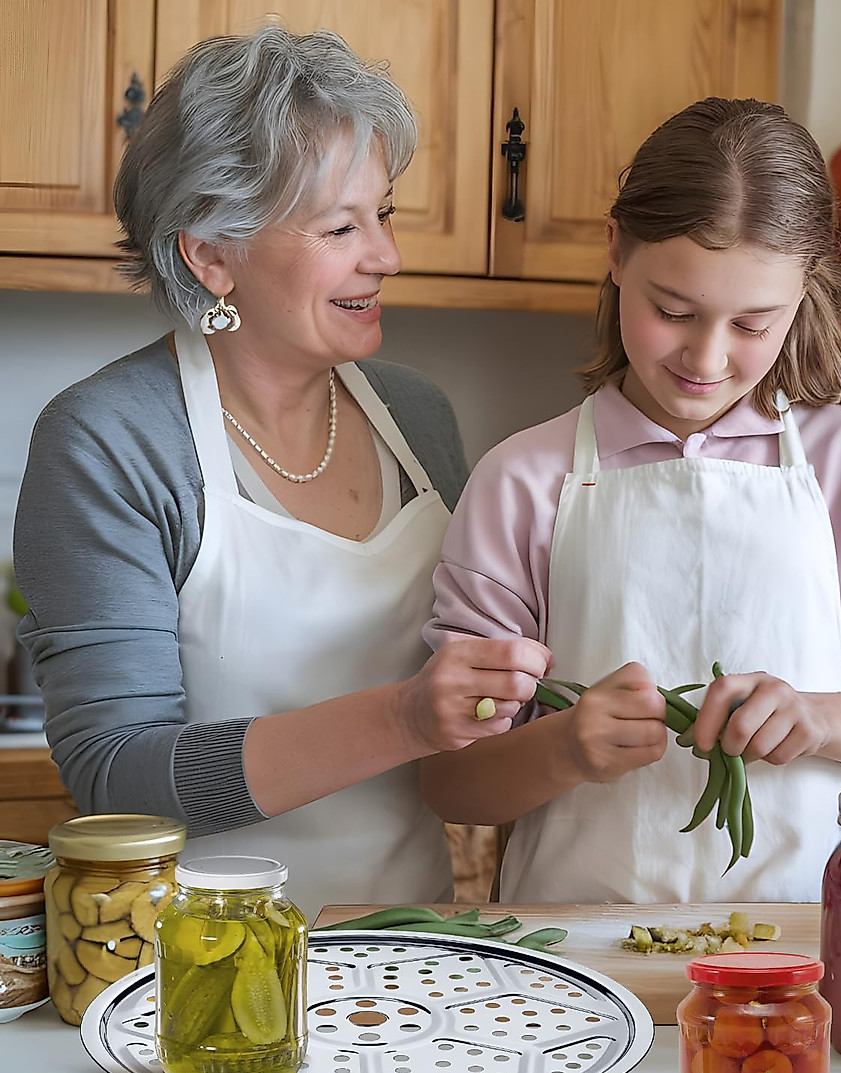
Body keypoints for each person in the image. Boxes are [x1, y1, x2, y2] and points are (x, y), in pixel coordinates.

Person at [12, 27, 549, 920]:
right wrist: (404, 721)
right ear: (210, 254)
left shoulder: (418, 418)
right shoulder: (109, 440)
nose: (385, 255)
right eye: (341, 226)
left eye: (385, 213)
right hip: (190, 963)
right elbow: (116, 779)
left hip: (405, 948)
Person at [421, 98, 841, 904]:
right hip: (576, 963)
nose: (706, 358)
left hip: (809, 946)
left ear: (807, 291)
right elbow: (450, 781)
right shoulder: (521, 480)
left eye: (754, 322)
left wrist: (818, 720)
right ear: (616, 251)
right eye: (673, 311)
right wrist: (566, 750)